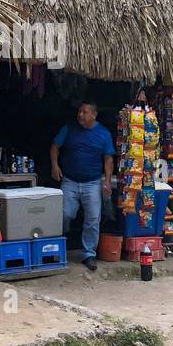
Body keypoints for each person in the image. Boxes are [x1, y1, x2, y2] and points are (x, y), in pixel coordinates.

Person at [49, 101, 114, 271]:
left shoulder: (103, 134)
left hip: (92, 182)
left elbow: (108, 158)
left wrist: (107, 180)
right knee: (64, 214)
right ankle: (59, 246)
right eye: (79, 111)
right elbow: (55, 146)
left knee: (93, 219)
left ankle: (88, 254)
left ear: (94, 115)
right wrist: (54, 165)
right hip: (69, 181)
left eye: (85, 112)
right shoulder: (69, 128)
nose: (80, 115)